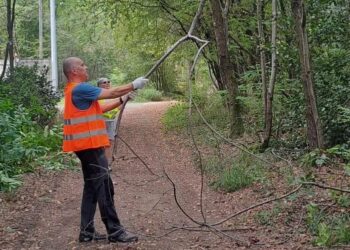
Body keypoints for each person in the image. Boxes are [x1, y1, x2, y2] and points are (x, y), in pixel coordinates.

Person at [62, 57, 148, 243]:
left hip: (85, 148)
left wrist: (121, 100)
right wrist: (133, 84)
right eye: (83, 65)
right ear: (74, 71)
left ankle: (86, 232)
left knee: (92, 187)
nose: (86, 68)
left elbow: (99, 108)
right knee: (104, 187)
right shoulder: (80, 88)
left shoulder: (73, 91)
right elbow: (111, 92)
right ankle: (115, 232)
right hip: (90, 147)